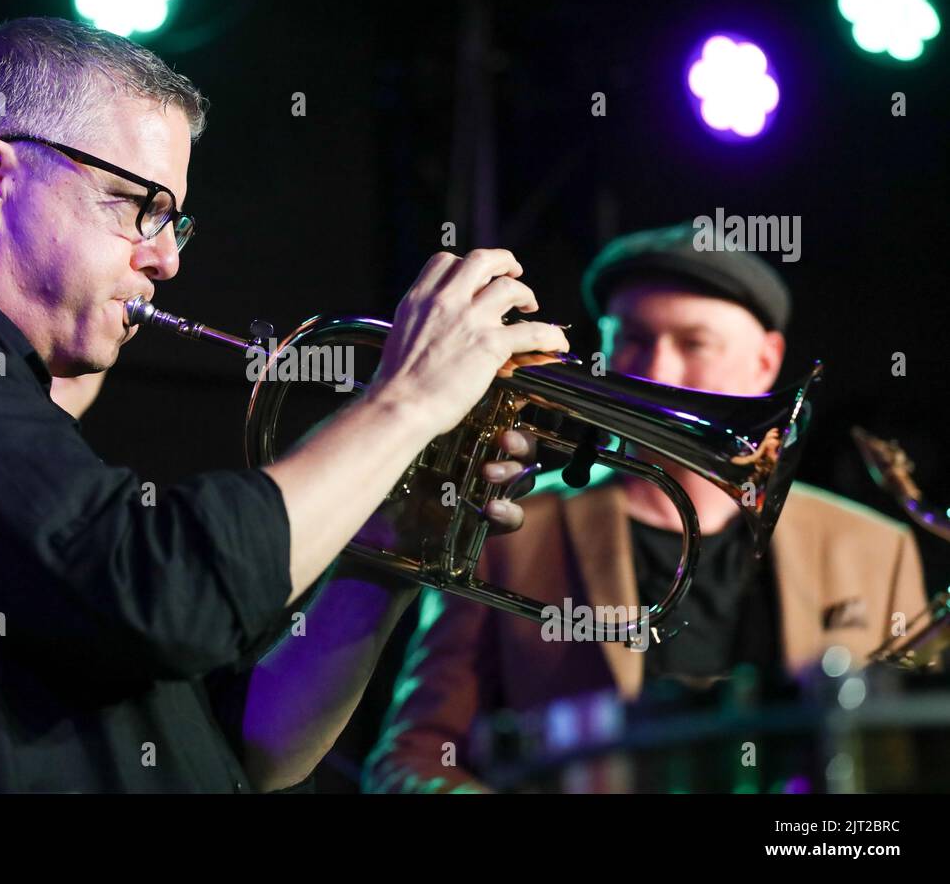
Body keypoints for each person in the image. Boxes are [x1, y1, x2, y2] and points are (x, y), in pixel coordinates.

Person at [0, 17, 569, 793]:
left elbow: (253, 745)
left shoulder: (7, 406)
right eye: (142, 207)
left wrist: (386, 547)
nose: (166, 258)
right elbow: (165, 593)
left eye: (176, 221)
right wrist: (408, 400)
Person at [364, 223, 928, 793]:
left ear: (766, 360)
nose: (656, 370)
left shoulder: (877, 548)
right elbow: (409, 759)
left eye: (694, 343)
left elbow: (914, 759)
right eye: (632, 338)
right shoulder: (506, 526)